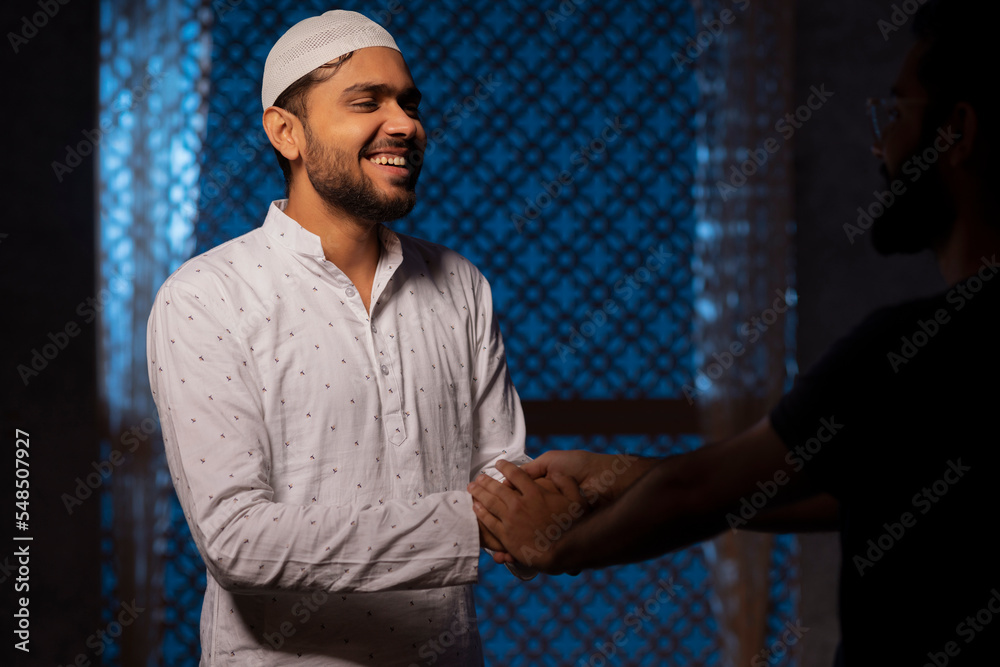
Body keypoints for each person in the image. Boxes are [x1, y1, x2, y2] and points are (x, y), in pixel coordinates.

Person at [470, 1, 1000, 665]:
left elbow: (702, 492)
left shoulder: (911, 351)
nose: (878, 144)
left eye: (894, 113)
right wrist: (617, 477)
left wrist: (558, 544)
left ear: (957, 132)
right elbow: (837, 490)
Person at [147, 10, 531, 666]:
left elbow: (506, 478)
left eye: (409, 103)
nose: (406, 124)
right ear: (286, 132)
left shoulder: (461, 285)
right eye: (367, 102)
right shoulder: (206, 297)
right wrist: (472, 523)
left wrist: (552, 506)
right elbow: (238, 541)